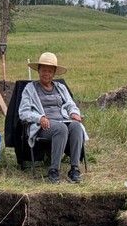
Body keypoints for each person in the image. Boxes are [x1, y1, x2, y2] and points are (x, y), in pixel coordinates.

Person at [18, 51, 88, 184]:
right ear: (38, 71)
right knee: (61, 128)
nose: (46, 74)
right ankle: (54, 170)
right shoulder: (30, 88)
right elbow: (23, 112)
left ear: (54, 73)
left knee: (76, 126)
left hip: (63, 120)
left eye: (50, 71)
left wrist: (74, 113)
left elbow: (70, 104)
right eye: (44, 70)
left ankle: (74, 169)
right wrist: (40, 118)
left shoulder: (60, 87)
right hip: (43, 126)